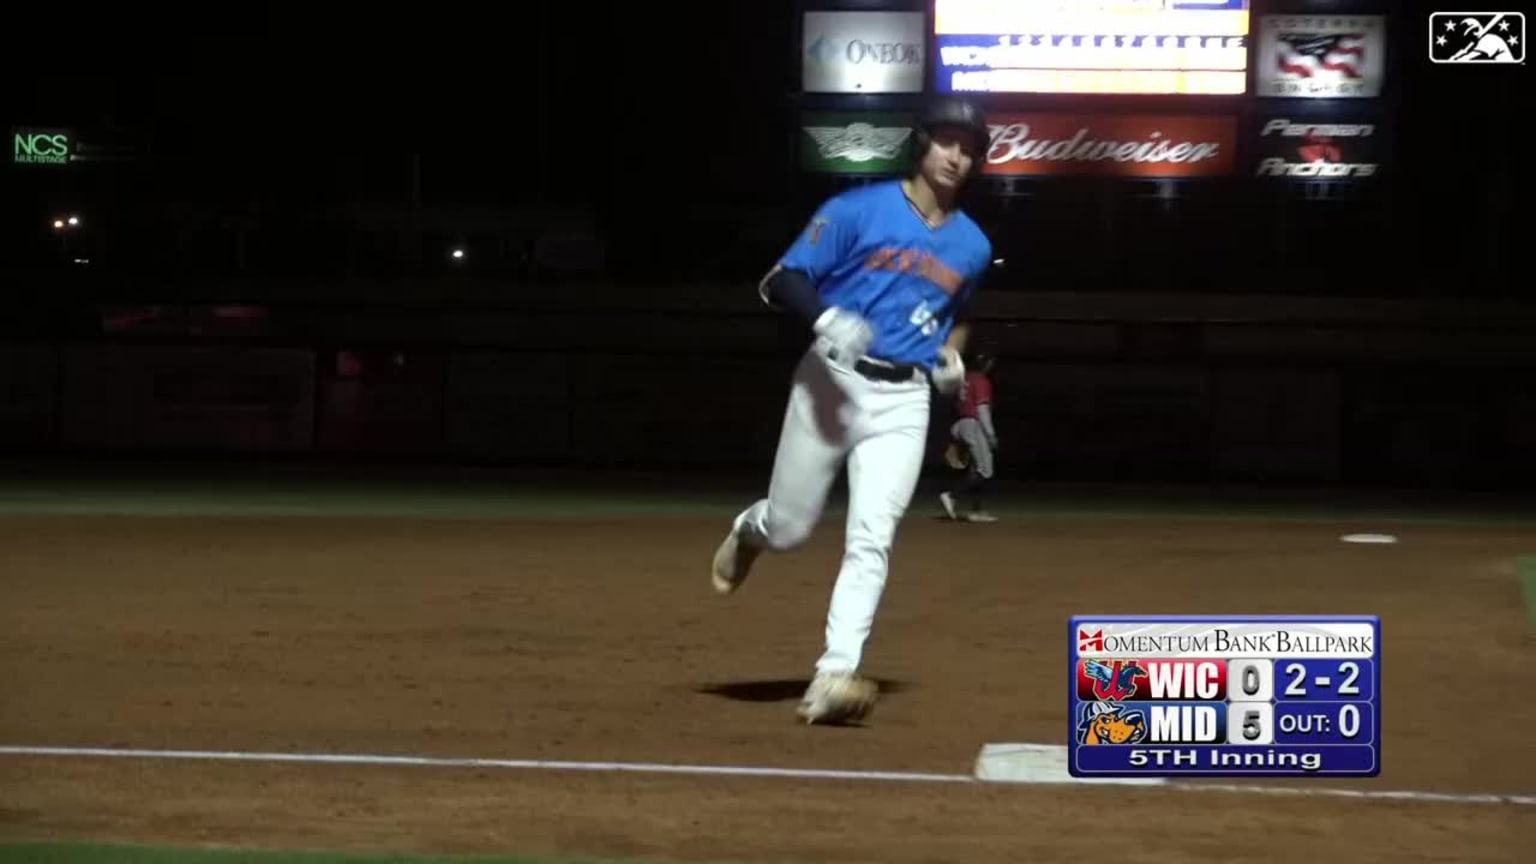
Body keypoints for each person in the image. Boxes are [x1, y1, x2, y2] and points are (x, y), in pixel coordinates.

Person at [709, 96, 994, 725]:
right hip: (831, 382)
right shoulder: (857, 209)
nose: (957, 155)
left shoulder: (973, 245)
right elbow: (781, 278)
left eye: (970, 148)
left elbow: (962, 314)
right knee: (790, 528)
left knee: (873, 536)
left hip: (904, 399)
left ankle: (835, 672)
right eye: (947, 141)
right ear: (920, 143)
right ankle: (751, 531)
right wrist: (826, 317)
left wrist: (951, 357)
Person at [939, 353, 999, 523]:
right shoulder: (981, 380)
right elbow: (982, 409)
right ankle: (951, 495)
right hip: (974, 424)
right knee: (985, 471)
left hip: (961, 423)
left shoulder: (965, 379)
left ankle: (977, 511)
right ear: (986, 364)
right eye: (990, 362)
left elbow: (958, 404)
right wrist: (991, 434)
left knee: (976, 470)